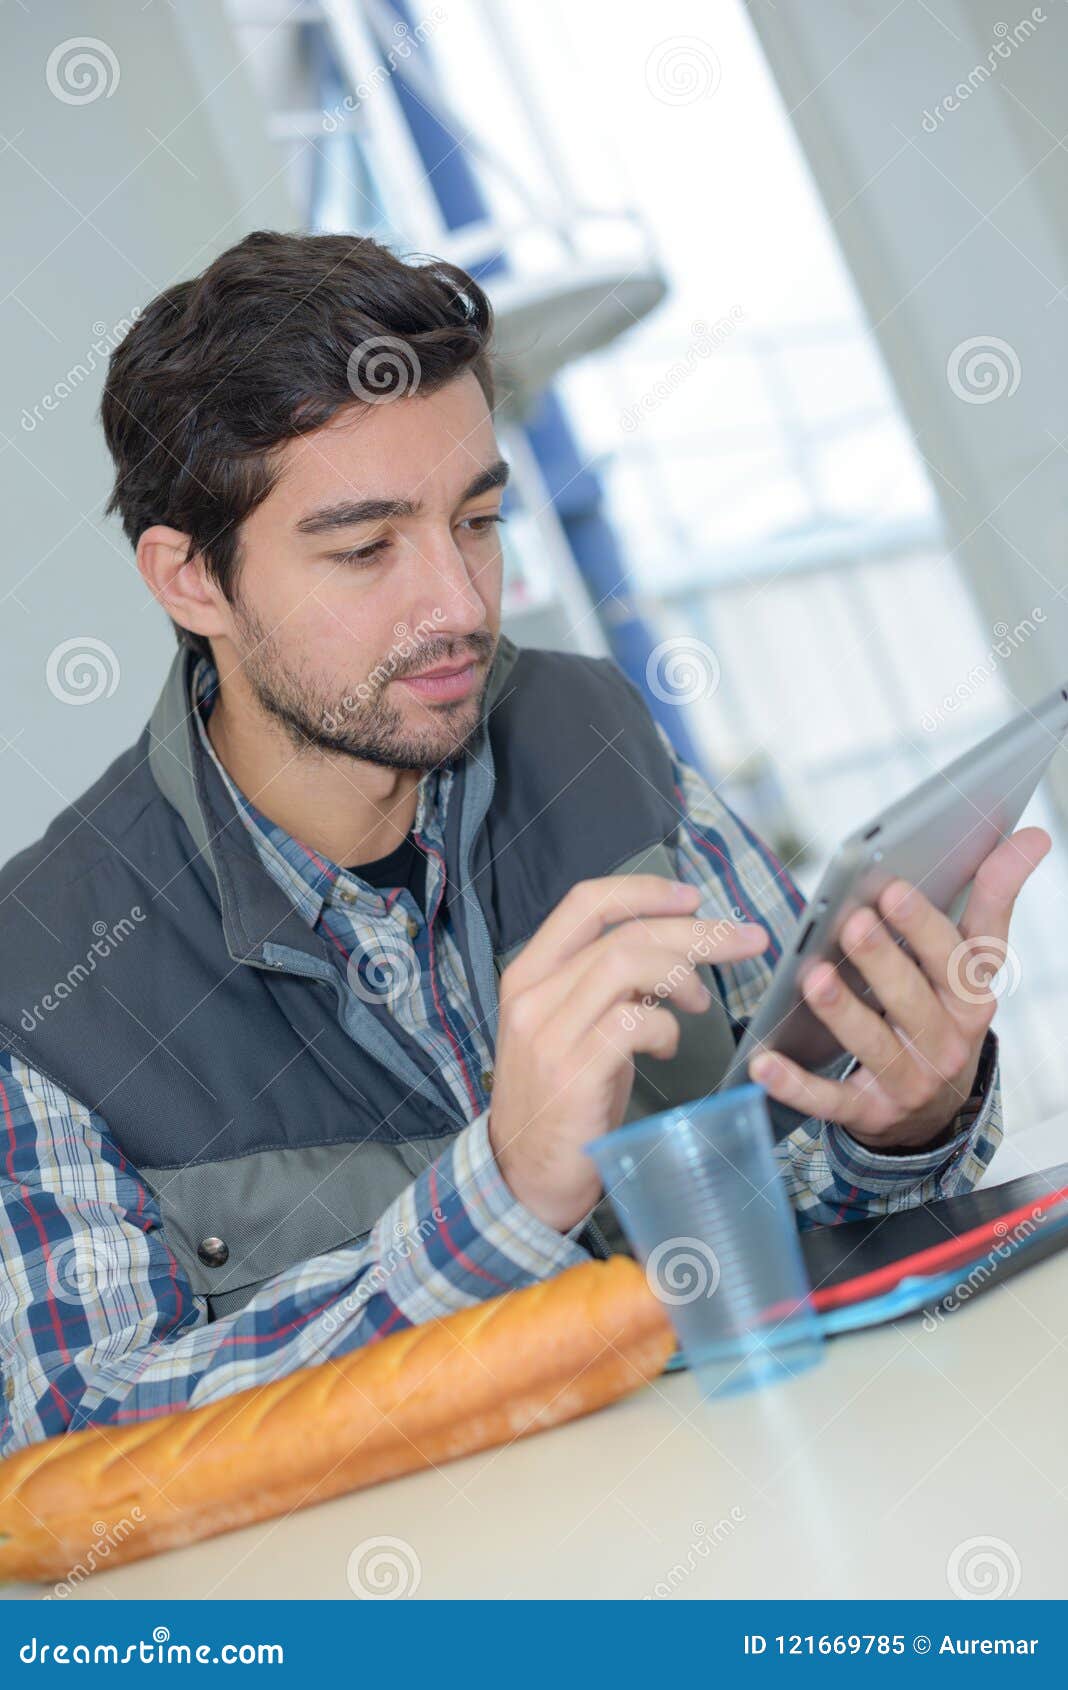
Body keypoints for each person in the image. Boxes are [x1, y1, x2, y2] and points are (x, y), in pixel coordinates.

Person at [0, 232, 1047, 1457]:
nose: (457, 604)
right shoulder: (42, 976)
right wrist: (500, 1198)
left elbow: (797, 1207)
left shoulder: (593, 735)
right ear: (191, 582)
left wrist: (896, 1123)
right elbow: (79, 1447)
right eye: (364, 549)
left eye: (478, 519)